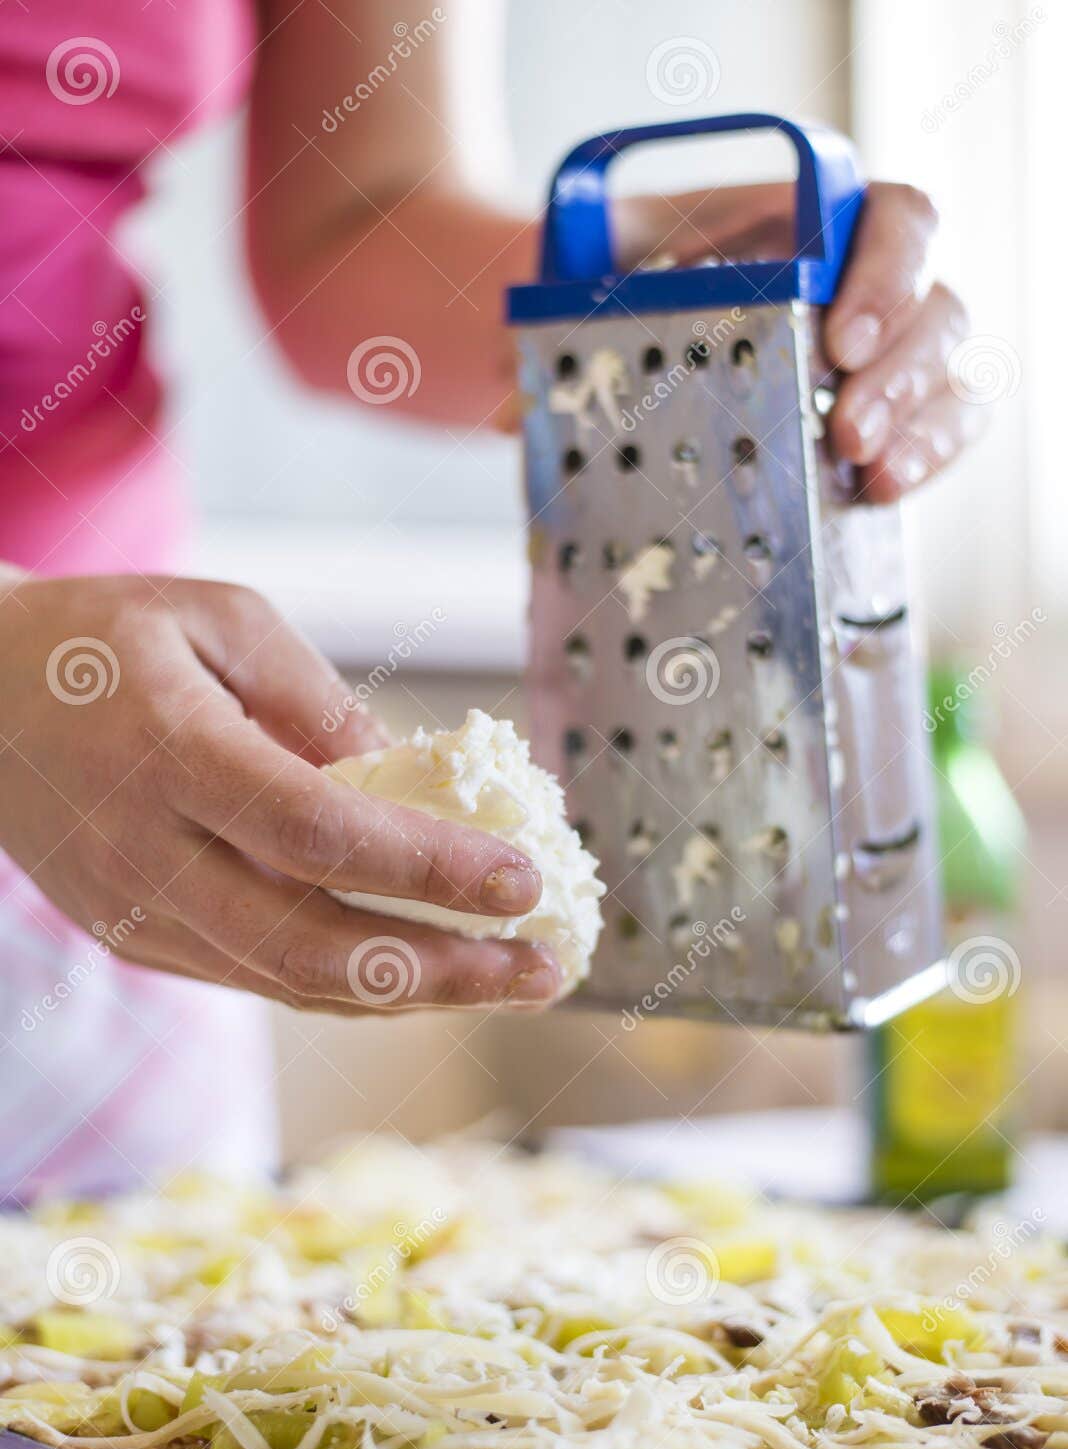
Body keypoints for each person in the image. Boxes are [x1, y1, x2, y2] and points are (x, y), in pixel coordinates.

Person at [0, 2, 978, 1199]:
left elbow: (355, 222)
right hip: (42, 688)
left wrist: (683, 300)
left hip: (113, 736)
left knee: (137, 1348)